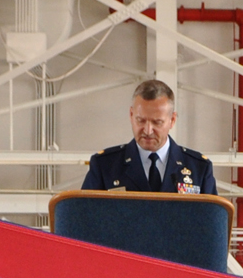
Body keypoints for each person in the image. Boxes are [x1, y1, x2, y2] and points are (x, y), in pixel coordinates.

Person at [82, 78, 217, 195]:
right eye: (140, 120)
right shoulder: (105, 166)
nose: (147, 130)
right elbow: (83, 219)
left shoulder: (199, 168)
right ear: (131, 115)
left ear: (172, 120)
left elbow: (212, 222)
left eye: (157, 122)